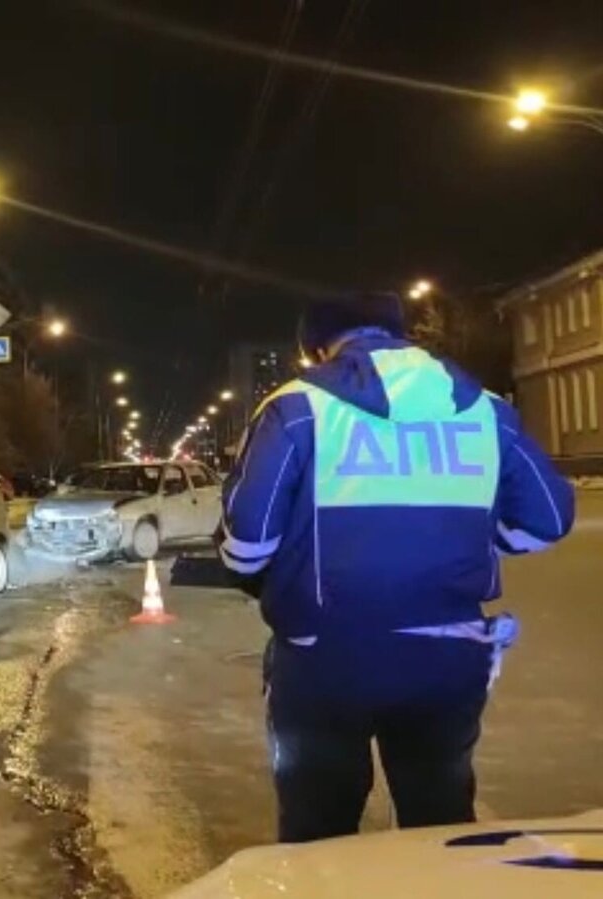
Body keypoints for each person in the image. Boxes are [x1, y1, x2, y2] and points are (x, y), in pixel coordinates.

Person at [219, 291, 575, 844]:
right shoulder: (483, 406)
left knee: (319, 830)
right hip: (446, 653)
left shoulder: (294, 407)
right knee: (440, 820)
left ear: (316, 348)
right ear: (401, 334)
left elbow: (247, 543)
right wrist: (471, 543)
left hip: (324, 659)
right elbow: (549, 518)